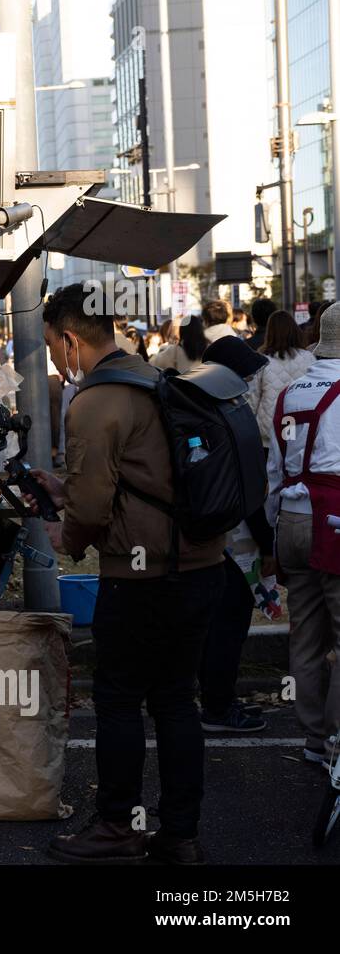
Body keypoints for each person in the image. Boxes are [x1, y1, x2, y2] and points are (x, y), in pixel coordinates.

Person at [31, 283, 226, 865]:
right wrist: (65, 488)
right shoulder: (156, 381)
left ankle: (116, 827)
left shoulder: (94, 402)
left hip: (140, 580)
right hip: (199, 568)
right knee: (175, 701)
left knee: (118, 700)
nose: (56, 359)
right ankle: (179, 836)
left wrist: (65, 535)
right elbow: (145, 483)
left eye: (51, 345)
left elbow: (92, 513)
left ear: (69, 338)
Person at [267, 301, 340, 766]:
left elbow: (274, 469)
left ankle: (314, 736)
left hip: (292, 519)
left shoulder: (293, 389)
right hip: (334, 519)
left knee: (307, 634)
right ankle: (336, 739)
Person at [198, 337, 272, 734]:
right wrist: (269, 544)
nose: (249, 378)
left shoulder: (204, 408)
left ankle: (216, 700)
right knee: (228, 628)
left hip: (210, 536)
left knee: (215, 626)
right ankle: (218, 709)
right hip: (234, 542)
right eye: (244, 372)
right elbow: (250, 495)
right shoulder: (230, 414)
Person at [250, 310, 315, 450]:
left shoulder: (262, 360)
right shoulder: (308, 358)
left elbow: (253, 396)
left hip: (269, 427)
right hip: (300, 422)